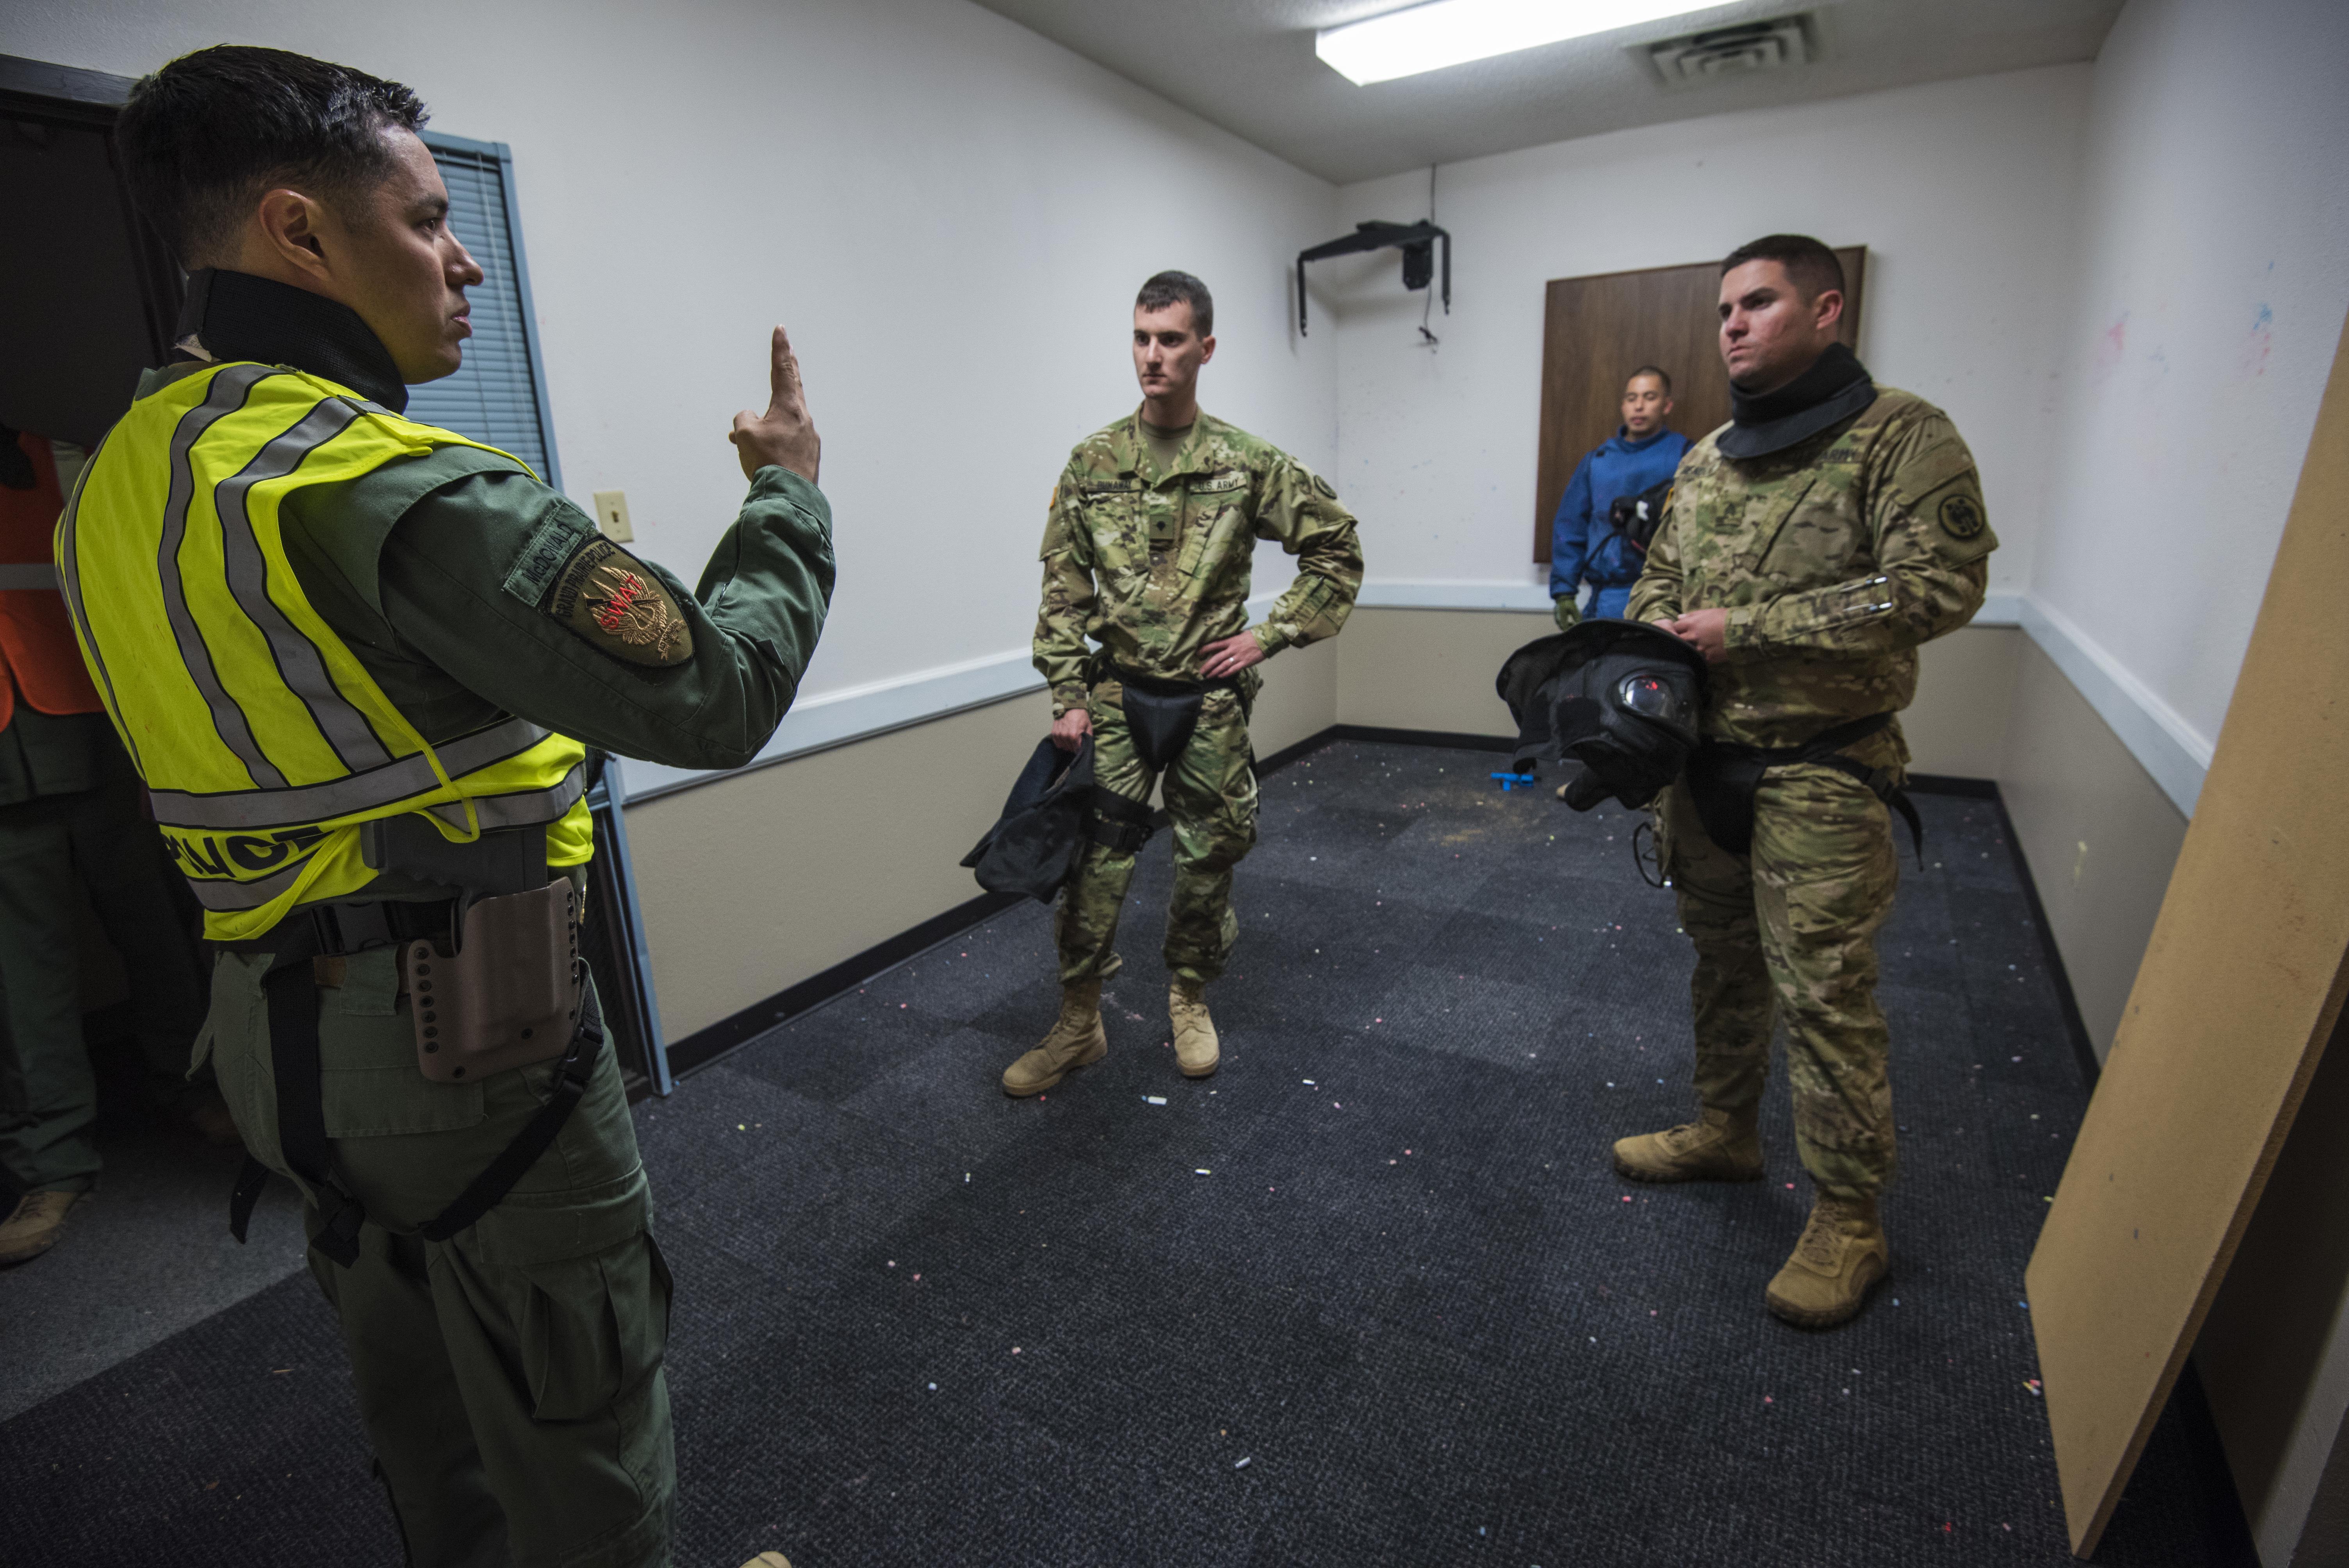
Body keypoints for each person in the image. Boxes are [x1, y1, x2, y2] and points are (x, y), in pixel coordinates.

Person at [76, 45, 831, 1566]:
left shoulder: (127, 472)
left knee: (427, 1413)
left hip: (268, 1042)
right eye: (426, 220)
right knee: (579, 1404)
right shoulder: (391, 485)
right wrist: (787, 493)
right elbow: (719, 693)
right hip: (465, 1039)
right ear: (299, 232)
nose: (463, 257)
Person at [1618, 234, 1996, 1330]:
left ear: (1827, 309)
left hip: (1824, 767)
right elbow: (1657, 579)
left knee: (1824, 991)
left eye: (1759, 303)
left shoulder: (1902, 434)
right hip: (1705, 764)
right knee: (1724, 963)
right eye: (1724, 310)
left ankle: (1849, 1218)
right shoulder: (1706, 456)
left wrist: (1749, 630)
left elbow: (1937, 586)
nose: (1733, 324)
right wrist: (1650, 634)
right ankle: (1724, 1131)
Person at [1005, 271, 1362, 1095]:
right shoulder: (1093, 461)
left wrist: (1268, 635)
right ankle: (1079, 1021)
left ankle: (1189, 998)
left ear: (1205, 348)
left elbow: (1336, 549)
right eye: (1141, 338)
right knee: (1092, 864)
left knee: (1209, 853)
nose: (1152, 356)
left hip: (1208, 702)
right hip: (1116, 695)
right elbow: (1063, 589)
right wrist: (1066, 695)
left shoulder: (1246, 462)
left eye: (1170, 339)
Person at [0, 426, 219, 1268]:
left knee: (158, 929)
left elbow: (133, 595)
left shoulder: (56, 462)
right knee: (21, 973)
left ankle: (200, 1088)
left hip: (97, 733)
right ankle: (50, 1165)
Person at [1549, 366, 1690, 629]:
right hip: (1605, 598)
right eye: (1631, 398)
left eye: (1650, 397)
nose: (1639, 406)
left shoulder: (1686, 456)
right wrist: (1564, 591)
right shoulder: (1598, 461)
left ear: (1667, 405)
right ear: (1623, 406)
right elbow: (1570, 526)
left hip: (1666, 598)